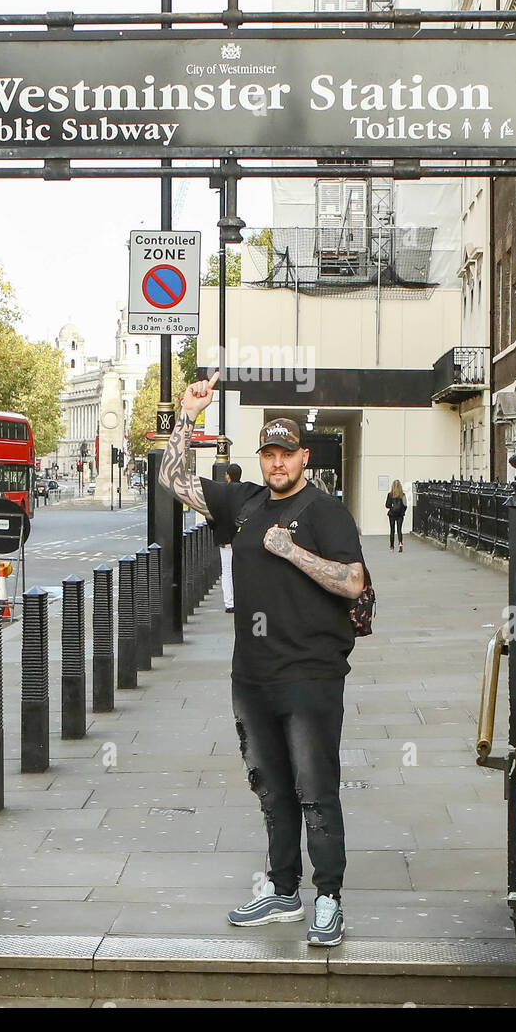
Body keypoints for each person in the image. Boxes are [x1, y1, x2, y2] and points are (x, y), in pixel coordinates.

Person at [159, 371, 365, 948]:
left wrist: (293, 551)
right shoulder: (245, 502)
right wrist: (188, 415)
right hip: (251, 676)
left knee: (314, 787)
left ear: (303, 456)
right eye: (269, 454)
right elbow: (172, 480)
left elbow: (352, 581)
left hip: (310, 675)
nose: (277, 464)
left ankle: (328, 897)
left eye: (286, 454)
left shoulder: (325, 512)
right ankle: (281, 889)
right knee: (271, 787)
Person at [213, 462, 242, 613]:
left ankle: (229, 603)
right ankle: (241, 600)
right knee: (241, 570)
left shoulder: (221, 492)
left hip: (225, 538)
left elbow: (212, 515)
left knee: (226, 571)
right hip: (241, 537)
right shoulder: (245, 492)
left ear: (228, 476)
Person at [385, 479, 407, 552]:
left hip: (392, 514)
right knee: (399, 530)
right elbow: (405, 505)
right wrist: (402, 512)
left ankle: (392, 547)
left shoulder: (390, 495)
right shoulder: (403, 495)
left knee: (392, 530)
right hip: (400, 515)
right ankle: (400, 543)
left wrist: (391, 507)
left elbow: (387, 505)